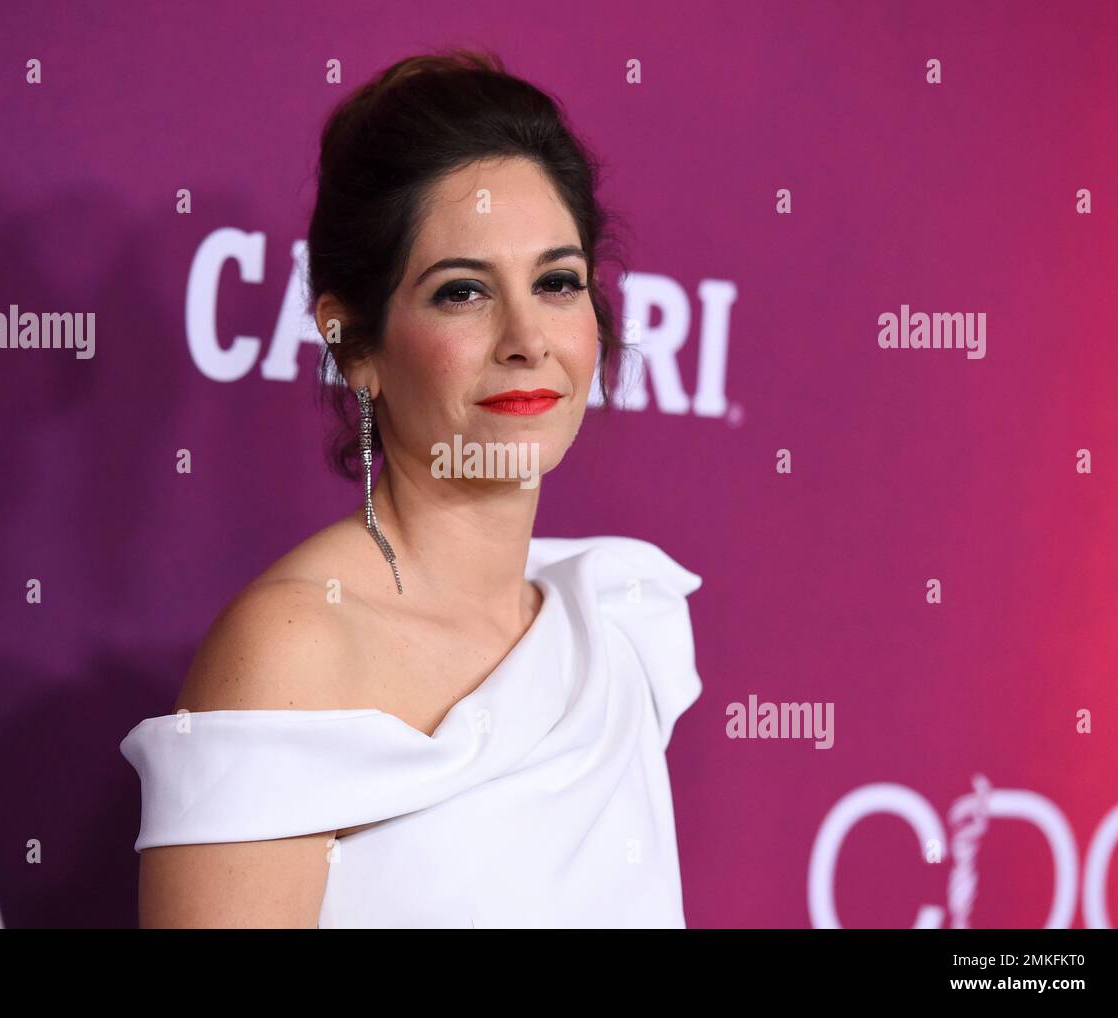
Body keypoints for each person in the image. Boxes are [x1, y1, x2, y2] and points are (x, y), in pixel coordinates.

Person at [120, 48, 704, 928]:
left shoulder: (618, 624)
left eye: (557, 282)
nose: (526, 338)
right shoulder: (295, 651)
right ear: (355, 345)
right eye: (463, 292)